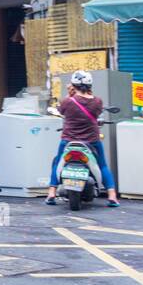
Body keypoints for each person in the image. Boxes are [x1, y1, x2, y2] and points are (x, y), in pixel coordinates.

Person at [45, 71, 120, 207]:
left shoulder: (67, 101)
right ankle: (112, 195)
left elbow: (62, 111)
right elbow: (96, 113)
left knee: (57, 162)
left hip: (68, 140)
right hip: (91, 140)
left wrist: (70, 93)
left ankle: (51, 192)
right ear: (90, 85)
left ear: (74, 85)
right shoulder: (97, 102)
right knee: (102, 164)